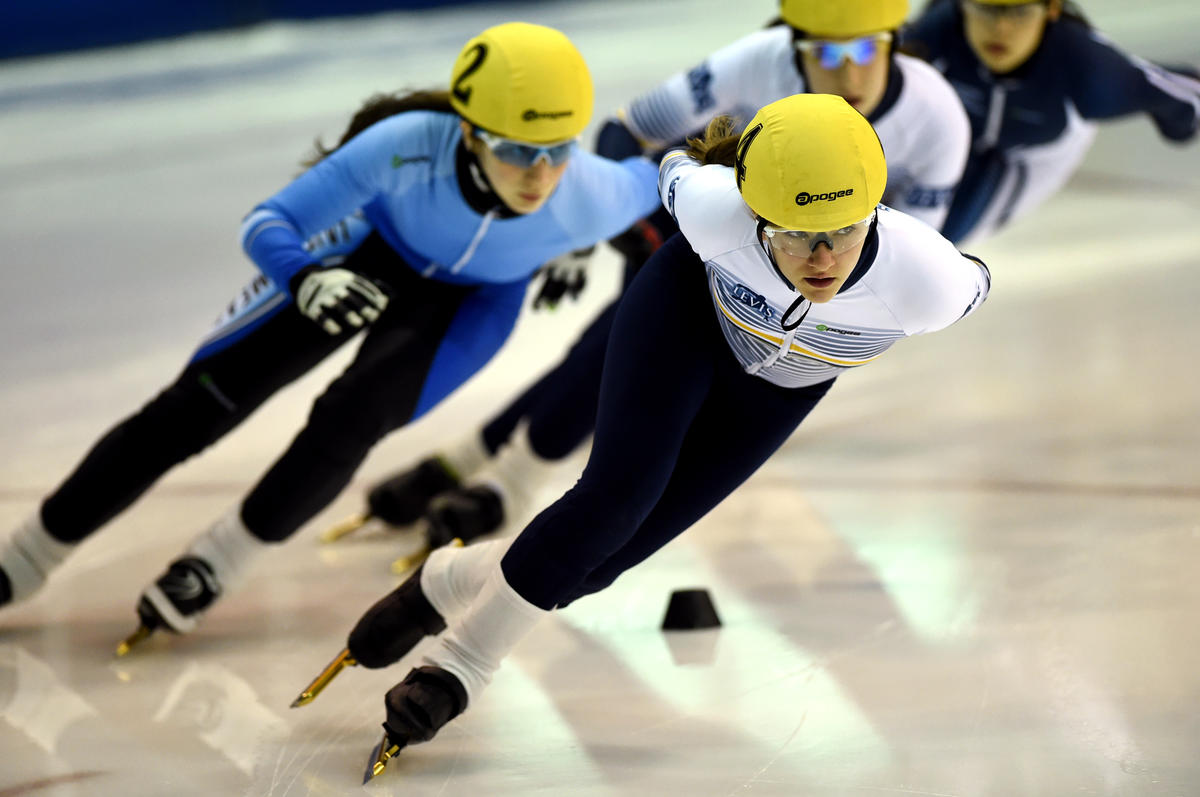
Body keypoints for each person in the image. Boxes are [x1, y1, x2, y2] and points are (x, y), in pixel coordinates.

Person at [322, 93, 992, 773]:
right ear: (754, 212)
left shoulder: (928, 282)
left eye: (842, 232)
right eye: (793, 234)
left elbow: (976, 279)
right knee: (613, 503)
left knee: (598, 566)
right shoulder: (713, 211)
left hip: (780, 389)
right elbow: (671, 165)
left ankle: (448, 579)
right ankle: (459, 666)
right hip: (685, 314)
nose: (821, 258)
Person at [0, 22, 662, 647]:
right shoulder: (405, 144)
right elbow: (270, 222)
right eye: (516, 151)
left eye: (557, 151)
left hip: (474, 302)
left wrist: (587, 242)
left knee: (354, 419)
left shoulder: (594, 193)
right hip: (365, 254)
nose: (539, 175)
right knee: (199, 404)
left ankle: (218, 562)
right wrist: (305, 277)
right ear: (468, 131)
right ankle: (25, 557)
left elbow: (677, 176)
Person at [336, 0, 975, 555]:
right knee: (618, 348)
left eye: (865, 49)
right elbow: (629, 130)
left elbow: (886, 259)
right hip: (699, 223)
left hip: (806, 258)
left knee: (619, 357)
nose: (847, 72)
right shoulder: (757, 62)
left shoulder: (937, 117)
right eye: (823, 53)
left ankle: (478, 460)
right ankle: (507, 480)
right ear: (790, 43)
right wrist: (601, 227)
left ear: (896, 42)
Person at [902, 0, 1200, 244]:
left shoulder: (1091, 73)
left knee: (944, 238)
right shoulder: (933, 35)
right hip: (961, 133)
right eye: (986, 7)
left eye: (1020, 11)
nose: (1001, 28)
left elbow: (1186, 91)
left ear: (1052, 8)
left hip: (1031, 155)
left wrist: (1182, 125)